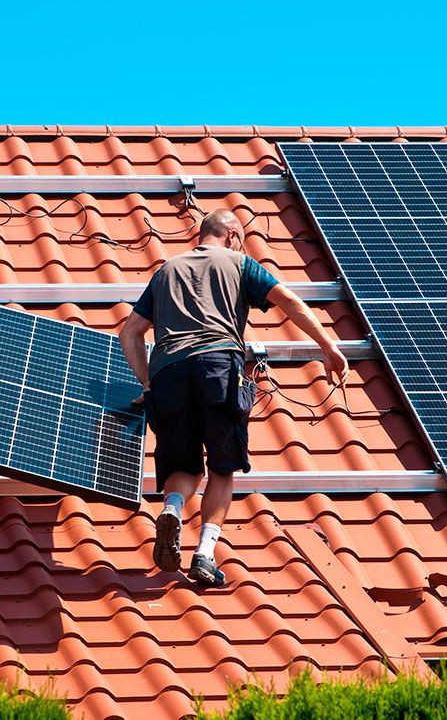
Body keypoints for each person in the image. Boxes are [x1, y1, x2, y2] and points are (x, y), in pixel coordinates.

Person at [118, 209, 349, 587]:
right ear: (231, 235)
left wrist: (148, 385)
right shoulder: (240, 263)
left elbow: (130, 333)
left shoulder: (165, 272)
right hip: (218, 367)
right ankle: (205, 555)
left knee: (184, 466)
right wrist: (327, 345)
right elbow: (287, 300)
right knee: (222, 467)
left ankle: (173, 509)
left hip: (168, 374)